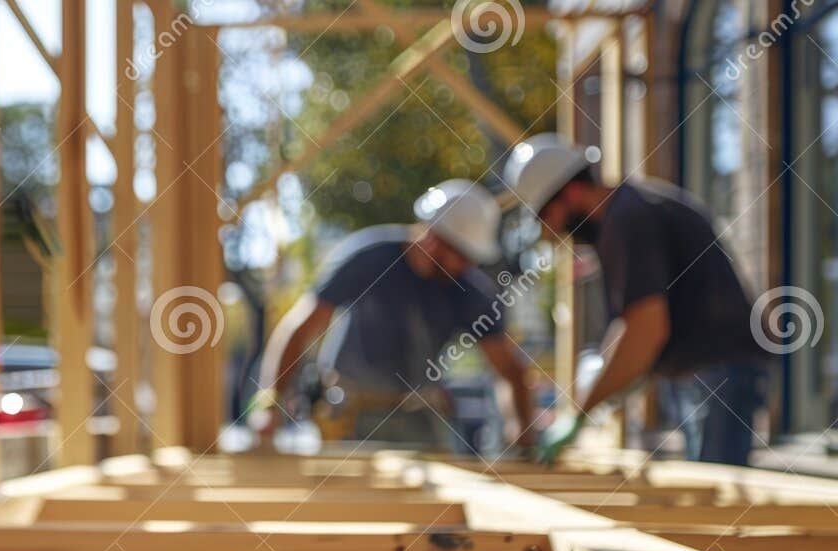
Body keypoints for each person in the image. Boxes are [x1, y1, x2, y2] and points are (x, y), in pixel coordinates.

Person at [504, 134, 771, 466]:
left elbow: (645, 329)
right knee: (712, 485)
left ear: (569, 193)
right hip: (706, 373)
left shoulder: (628, 220)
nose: (554, 231)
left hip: (717, 374)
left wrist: (581, 412)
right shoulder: (632, 209)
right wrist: (591, 399)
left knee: (721, 498)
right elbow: (633, 325)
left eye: (549, 219)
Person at [248, 181, 536, 451]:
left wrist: (523, 430)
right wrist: (269, 404)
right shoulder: (370, 259)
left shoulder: (466, 289)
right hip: (349, 417)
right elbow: (300, 329)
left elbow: (510, 370)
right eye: (460, 256)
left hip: (418, 418)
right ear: (433, 239)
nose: (465, 266)